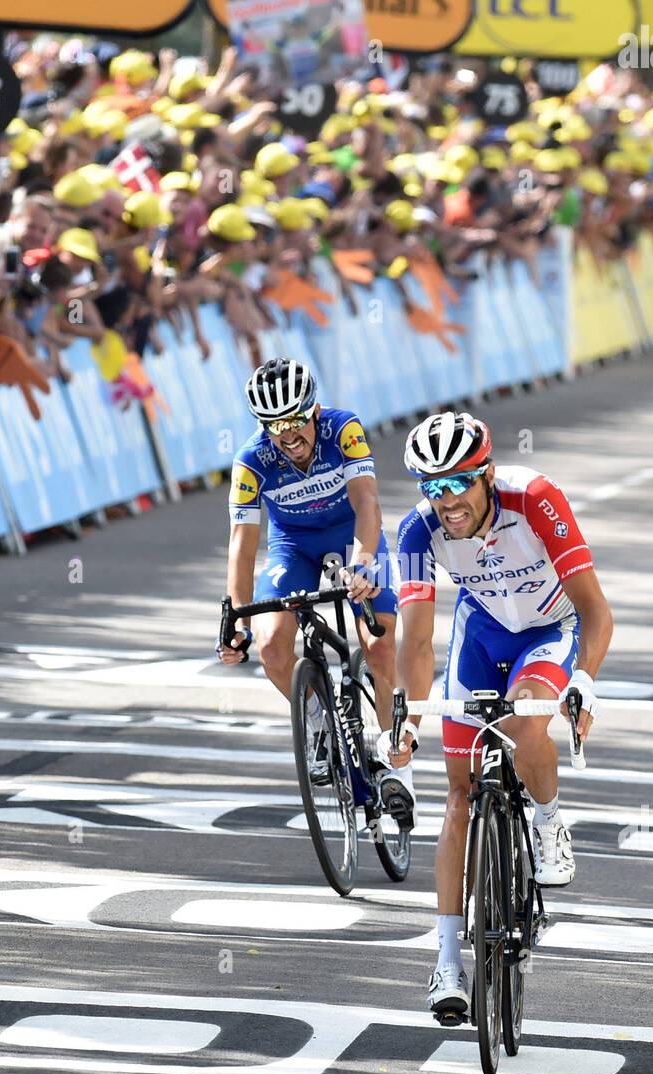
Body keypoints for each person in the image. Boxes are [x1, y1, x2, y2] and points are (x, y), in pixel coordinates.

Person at [389, 411, 613, 1020]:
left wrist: (585, 683)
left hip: (549, 629)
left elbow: (595, 610)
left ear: (486, 473)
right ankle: (444, 964)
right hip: (483, 632)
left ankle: (546, 820)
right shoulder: (415, 533)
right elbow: (414, 641)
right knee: (458, 797)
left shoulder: (535, 499)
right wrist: (406, 719)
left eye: (459, 482)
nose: (447, 500)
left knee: (522, 718)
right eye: (432, 487)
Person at [217, 356, 415, 829]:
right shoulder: (250, 462)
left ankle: (396, 759)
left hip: (353, 536)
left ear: (314, 410)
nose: (286, 435)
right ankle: (316, 719)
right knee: (270, 644)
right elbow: (242, 548)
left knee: (381, 643)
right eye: (273, 425)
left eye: (294, 421)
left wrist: (364, 562)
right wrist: (235, 621)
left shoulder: (343, 429)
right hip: (294, 547)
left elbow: (367, 502)